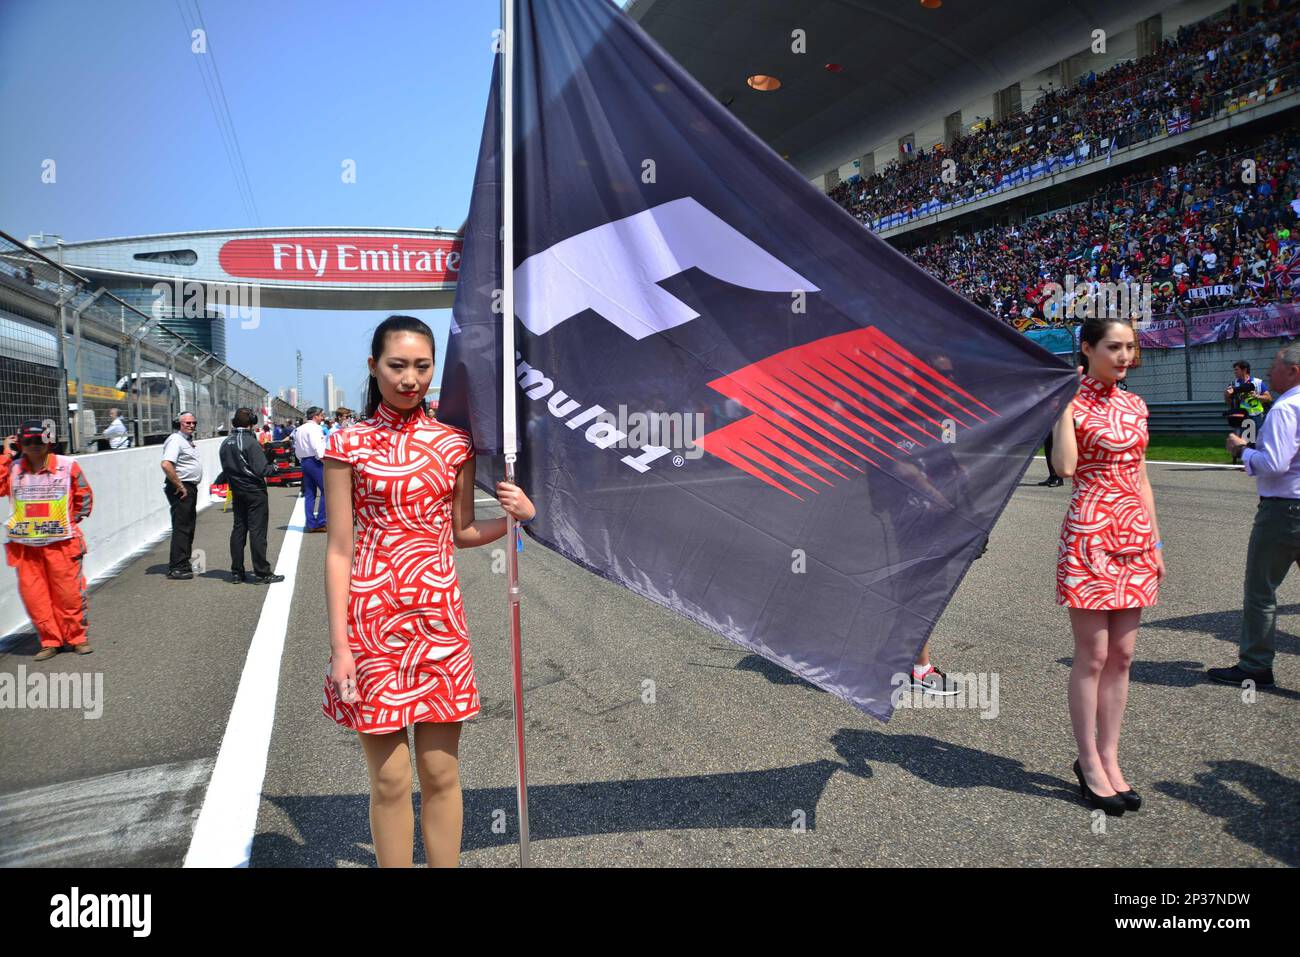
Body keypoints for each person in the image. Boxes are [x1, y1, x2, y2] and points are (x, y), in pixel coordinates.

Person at [323, 315, 535, 868]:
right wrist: (341, 647)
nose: (410, 378)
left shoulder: (454, 443)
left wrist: (515, 521)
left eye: (422, 366)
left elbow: (463, 532)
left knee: (442, 772)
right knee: (391, 780)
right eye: (397, 365)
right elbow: (339, 548)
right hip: (371, 625)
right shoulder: (346, 444)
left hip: (438, 621)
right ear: (374, 367)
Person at [1051, 317, 1164, 817]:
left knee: (1122, 656)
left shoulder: (1136, 404)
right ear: (1088, 350)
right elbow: (1066, 468)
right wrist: (1062, 406)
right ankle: (1088, 761)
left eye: (1130, 347)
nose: (1124, 356)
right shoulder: (1072, 401)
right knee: (1092, 656)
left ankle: (1112, 758)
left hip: (1134, 536)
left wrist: (1155, 540)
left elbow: (1141, 475)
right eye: (1113, 347)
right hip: (1090, 535)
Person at [1214, 343, 1300, 688]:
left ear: (1293, 371)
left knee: (1261, 590)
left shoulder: (1285, 409)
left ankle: (1255, 666)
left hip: (1284, 510)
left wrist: (1243, 451)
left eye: (1274, 366)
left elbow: (1274, 465)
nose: (1269, 373)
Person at [1, 419, 95, 659]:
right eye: (27, 441)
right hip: (26, 547)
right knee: (35, 596)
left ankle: (77, 638)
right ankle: (49, 641)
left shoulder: (67, 465)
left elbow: (83, 497)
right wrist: (5, 456)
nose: (34, 445)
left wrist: (69, 521)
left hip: (62, 543)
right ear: (19, 442)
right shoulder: (12, 468)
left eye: (39, 440)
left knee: (69, 594)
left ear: (49, 441)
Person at [218, 408, 286, 586]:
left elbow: (227, 469)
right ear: (252, 422)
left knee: (239, 530)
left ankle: (236, 572)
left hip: (237, 491)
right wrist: (276, 467)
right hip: (255, 492)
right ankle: (262, 573)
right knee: (257, 532)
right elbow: (261, 470)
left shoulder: (226, 442)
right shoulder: (250, 442)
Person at [160, 412, 202, 580]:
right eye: (187, 423)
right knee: (182, 527)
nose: (191, 425)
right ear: (179, 424)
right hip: (181, 488)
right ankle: (177, 566)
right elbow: (166, 464)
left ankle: (183, 562)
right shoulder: (175, 440)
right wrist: (179, 485)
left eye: (194, 422)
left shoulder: (186, 441)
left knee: (188, 526)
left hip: (188, 487)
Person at [1224, 360, 1271, 463]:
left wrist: (1257, 396)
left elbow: (1268, 398)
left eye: (1237, 370)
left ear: (1244, 370)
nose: (1234, 372)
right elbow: (1229, 402)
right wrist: (1227, 395)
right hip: (1241, 415)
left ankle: (1258, 461)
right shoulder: (1234, 384)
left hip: (1256, 414)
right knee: (1244, 439)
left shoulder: (1258, 382)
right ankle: (1246, 462)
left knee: (1257, 439)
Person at [294, 406, 328, 533]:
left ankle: (310, 523)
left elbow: (296, 448)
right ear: (315, 416)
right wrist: (324, 461)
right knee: (326, 490)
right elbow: (318, 447)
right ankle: (321, 521)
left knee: (309, 494)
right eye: (321, 415)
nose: (322, 418)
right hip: (315, 461)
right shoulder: (315, 428)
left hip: (304, 461)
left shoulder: (299, 429)